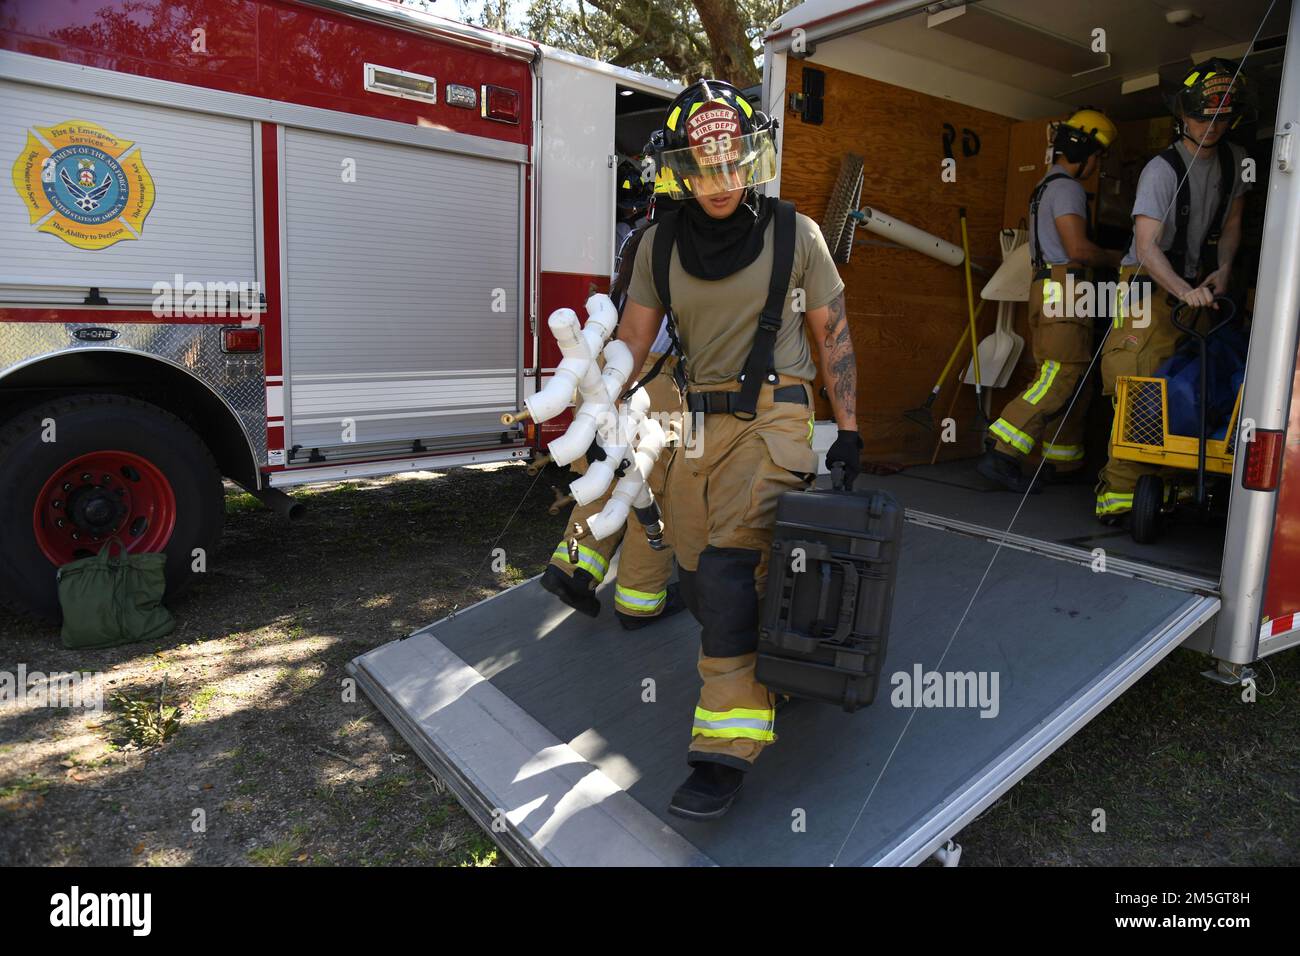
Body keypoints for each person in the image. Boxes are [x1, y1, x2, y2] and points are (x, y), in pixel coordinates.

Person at [615, 79, 861, 819]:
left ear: (751, 160)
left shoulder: (799, 234)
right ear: (679, 169)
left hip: (774, 415)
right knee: (698, 576)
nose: (719, 180)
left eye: (732, 162)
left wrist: (849, 430)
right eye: (703, 164)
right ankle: (782, 663)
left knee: (726, 572)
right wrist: (595, 410)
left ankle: (724, 751)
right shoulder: (658, 246)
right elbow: (632, 339)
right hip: (692, 421)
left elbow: (833, 336)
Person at [1096, 60, 1254, 522]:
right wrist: (1184, 291)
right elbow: (1145, 248)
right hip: (1150, 287)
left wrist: (1223, 270)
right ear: (1183, 115)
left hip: (1199, 288)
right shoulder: (1161, 170)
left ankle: (1174, 487)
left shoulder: (1236, 161)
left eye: (1222, 117)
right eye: (1203, 116)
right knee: (1143, 384)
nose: (1211, 126)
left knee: (1190, 385)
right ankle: (1120, 501)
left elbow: (1232, 226)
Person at [541, 206, 687, 629]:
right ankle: (640, 605)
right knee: (654, 497)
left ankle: (569, 572)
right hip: (657, 380)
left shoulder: (634, 244)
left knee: (601, 488)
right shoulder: (679, 256)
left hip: (612, 377)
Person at [978, 109, 1122, 493]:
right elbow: (1078, 249)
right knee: (1061, 377)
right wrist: (1121, 259)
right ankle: (1002, 450)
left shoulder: (1044, 186)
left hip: (1047, 287)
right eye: (1098, 156)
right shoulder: (1069, 189)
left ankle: (1061, 461)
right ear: (1085, 152)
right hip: (1067, 287)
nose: (1097, 165)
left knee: (1070, 381)